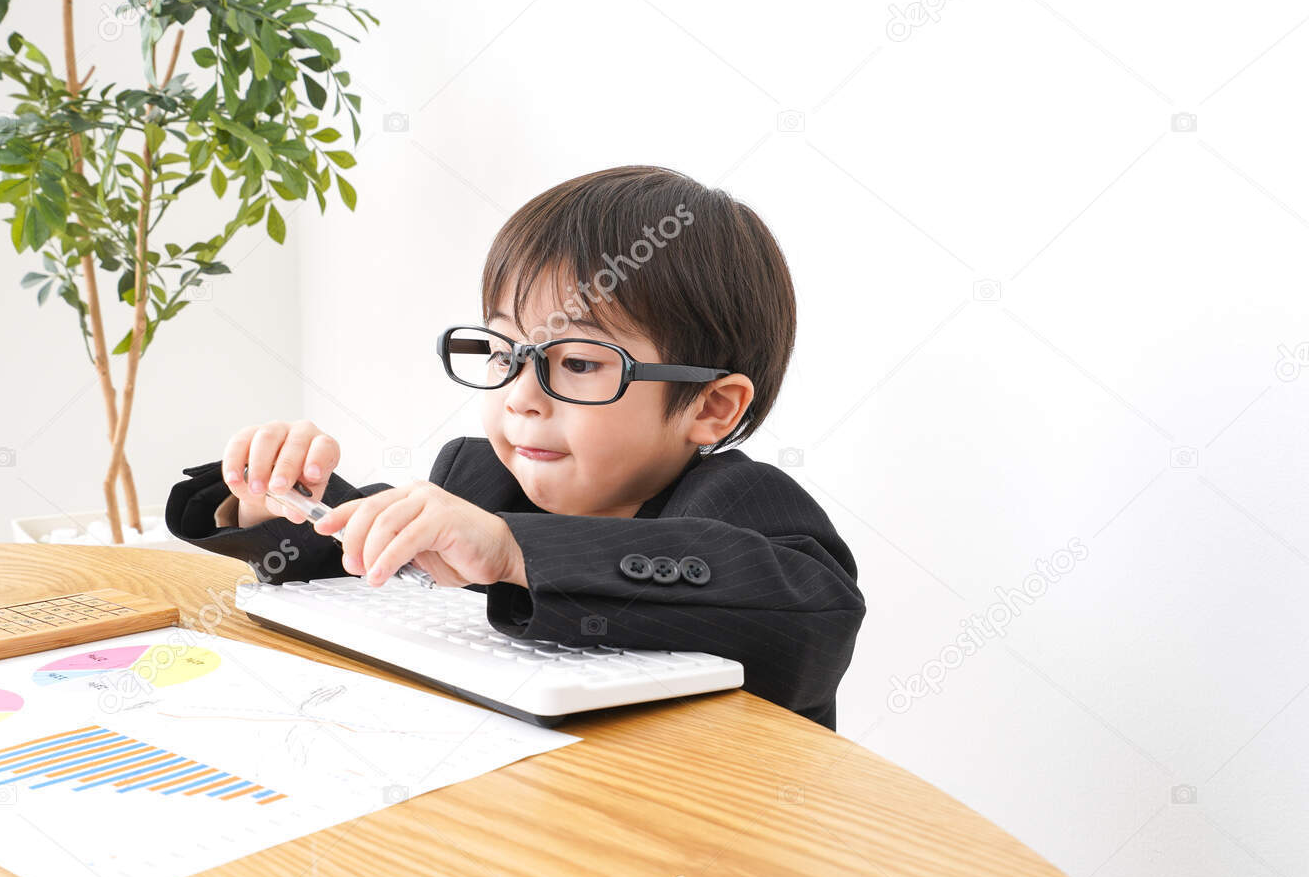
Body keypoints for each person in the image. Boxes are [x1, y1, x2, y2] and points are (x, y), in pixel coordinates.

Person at [165, 165, 866, 729]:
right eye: (505, 350)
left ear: (711, 406)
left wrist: (514, 552)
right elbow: (347, 552)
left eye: (580, 363)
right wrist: (278, 499)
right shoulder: (479, 479)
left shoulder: (746, 507)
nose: (521, 395)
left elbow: (815, 613)